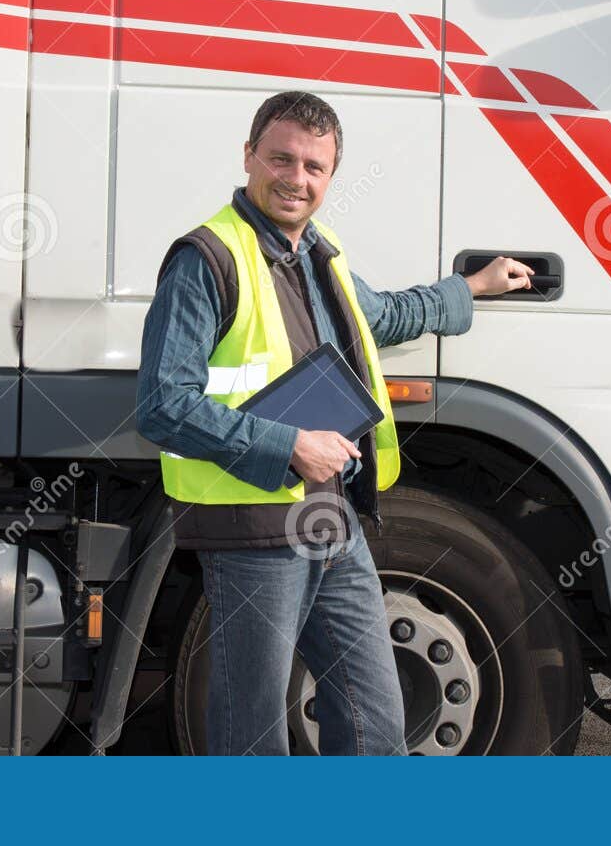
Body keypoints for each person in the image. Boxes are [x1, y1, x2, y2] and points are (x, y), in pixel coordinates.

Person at [135, 91, 534, 755]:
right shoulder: (207, 258)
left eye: (314, 167)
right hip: (254, 527)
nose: (297, 178)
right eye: (281, 159)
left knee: (376, 725)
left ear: (330, 176)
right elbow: (162, 403)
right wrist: (288, 444)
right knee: (252, 734)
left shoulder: (321, 252)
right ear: (249, 157)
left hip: (332, 515)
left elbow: (382, 317)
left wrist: (472, 288)